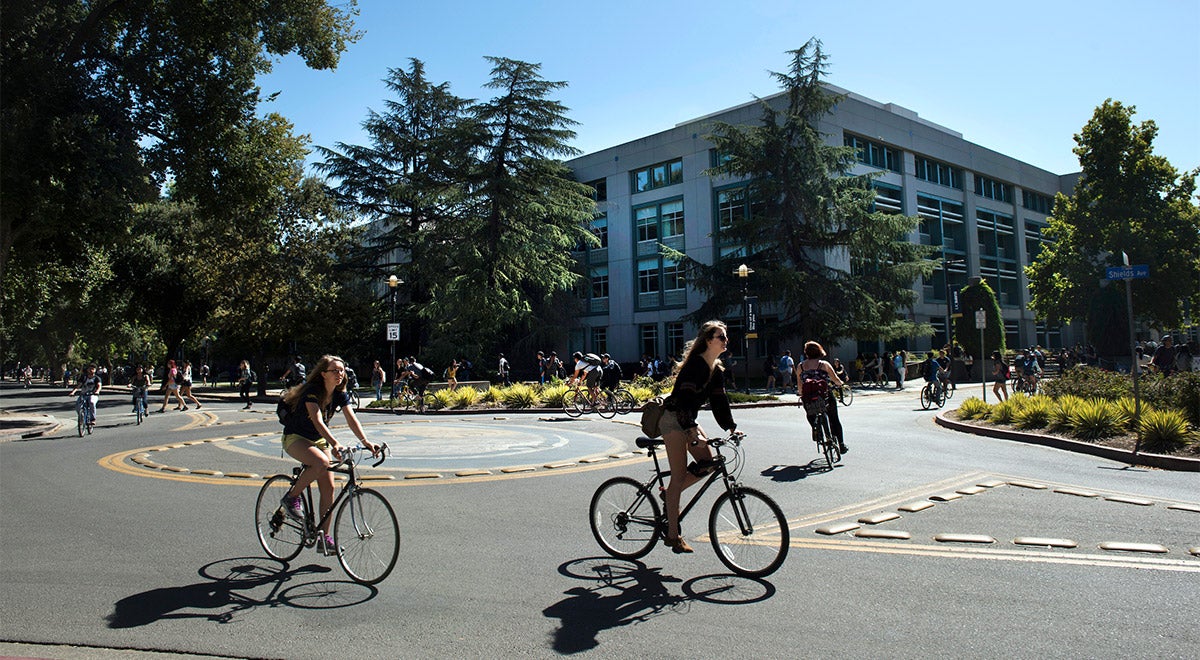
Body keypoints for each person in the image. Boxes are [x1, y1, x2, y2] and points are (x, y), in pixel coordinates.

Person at [276, 355, 381, 556]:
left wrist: (366, 442)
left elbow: (352, 419)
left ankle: (324, 539)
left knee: (329, 487)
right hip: (296, 437)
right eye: (335, 370)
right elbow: (317, 420)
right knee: (321, 462)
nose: (340, 374)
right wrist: (335, 443)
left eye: (342, 370)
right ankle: (291, 498)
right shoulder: (312, 391)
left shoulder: (340, 394)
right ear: (323, 374)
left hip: (317, 441)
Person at [660, 320, 738, 554]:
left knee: (709, 463)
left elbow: (719, 401)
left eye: (725, 337)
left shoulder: (716, 369)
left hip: (689, 421)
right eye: (721, 337)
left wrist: (731, 427)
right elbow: (683, 399)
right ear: (708, 340)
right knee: (677, 477)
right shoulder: (695, 364)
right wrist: (690, 430)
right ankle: (673, 536)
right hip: (674, 420)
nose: (725, 341)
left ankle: (669, 497)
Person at [796, 341, 848, 454]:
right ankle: (841, 444)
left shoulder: (800, 366)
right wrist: (841, 384)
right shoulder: (824, 364)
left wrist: (801, 394)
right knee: (834, 418)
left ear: (806, 353)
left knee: (810, 414)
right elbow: (835, 379)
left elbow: (800, 384)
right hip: (824, 395)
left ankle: (816, 429)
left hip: (809, 397)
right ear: (819, 351)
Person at [68, 364, 103, 429]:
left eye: (93, 369)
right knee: (78, 406)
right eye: (90, 368)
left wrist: (97, 391)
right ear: (87, 370)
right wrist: (73, 392)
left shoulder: (97, 378)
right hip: (83, 394)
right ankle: (81, 418)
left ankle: (93, 419)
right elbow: (78, 386)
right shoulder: (84, 377)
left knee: (92, 402)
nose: (91, 370)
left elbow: (99, 386)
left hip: (93, 394)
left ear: (95, 370)